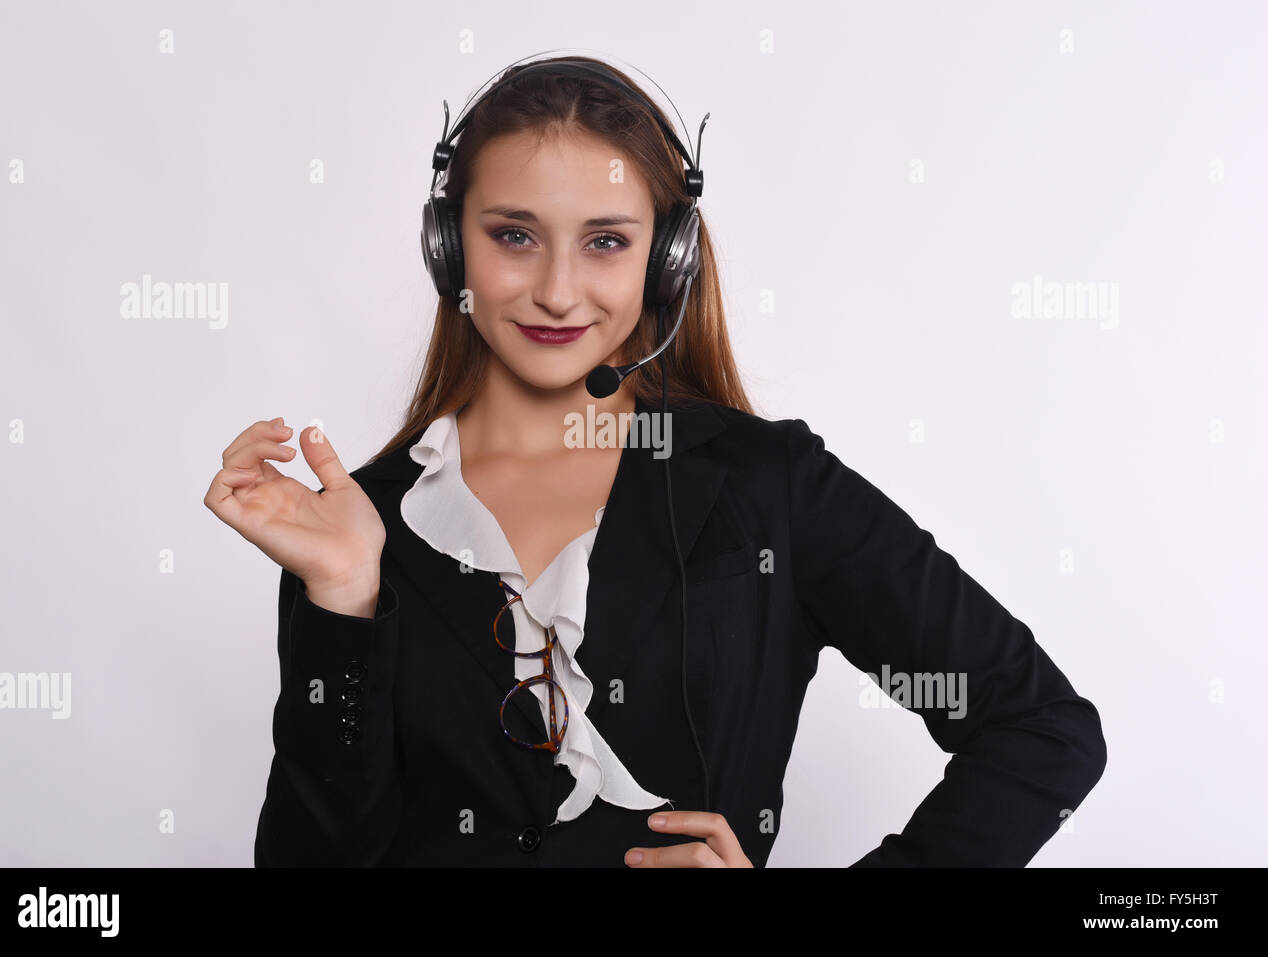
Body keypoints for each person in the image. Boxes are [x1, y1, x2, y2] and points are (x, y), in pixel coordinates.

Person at [203, 54, 1107, 867]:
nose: (557, 289)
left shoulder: (769, 487)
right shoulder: (361, 522)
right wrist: (343, 597)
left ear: (666, 260)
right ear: (450, 249)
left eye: (606, 240)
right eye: (513, 235)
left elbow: (1041, 730)